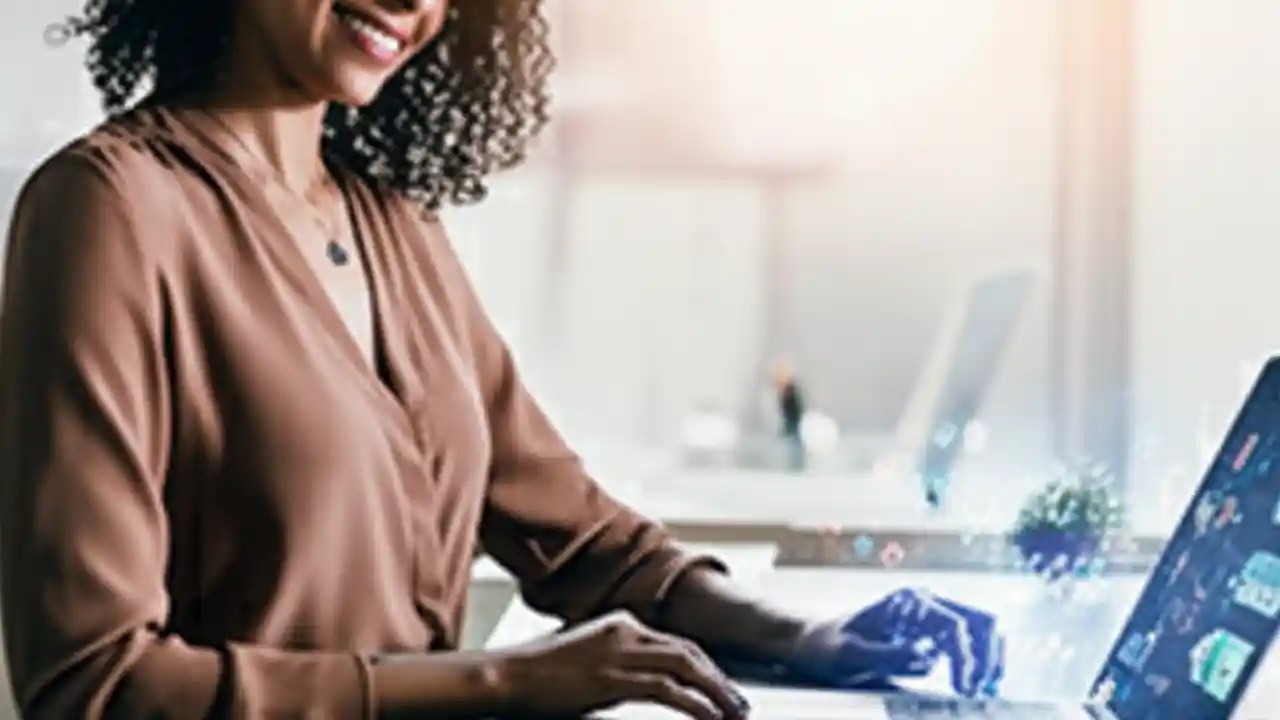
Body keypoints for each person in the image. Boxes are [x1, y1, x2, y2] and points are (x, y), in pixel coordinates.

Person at [0, 1, 1005, 717]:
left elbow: (587, 549)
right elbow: (93, 684)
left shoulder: (394, 223)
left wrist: (808, 637)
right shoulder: (108, 213)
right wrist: (513, 682)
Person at [771, 359, 807, 472]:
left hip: (792, 420)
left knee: (792, 441)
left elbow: (794, 408)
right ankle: (791, 462)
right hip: (790, 420)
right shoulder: (787, 390)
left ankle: (795, 463)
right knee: (790, 440)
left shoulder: (790, 390)